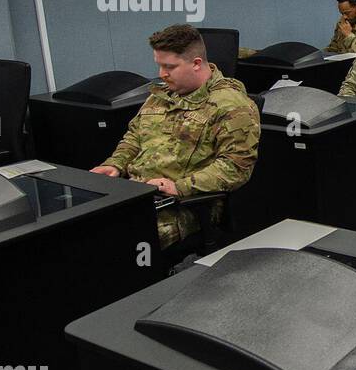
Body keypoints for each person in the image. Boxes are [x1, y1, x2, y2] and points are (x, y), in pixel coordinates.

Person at [91, 24, 260, 250]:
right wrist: (115, 163)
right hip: (138, 195)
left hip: (183, 207)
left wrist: (178, 187)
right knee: (82, 228)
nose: (162, 74)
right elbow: (134, 137)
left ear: (196, 64)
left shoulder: (230, 105)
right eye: (159, 65)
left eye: (169, 66)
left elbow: (235, 168)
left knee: (111, 244)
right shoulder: (161, 95)